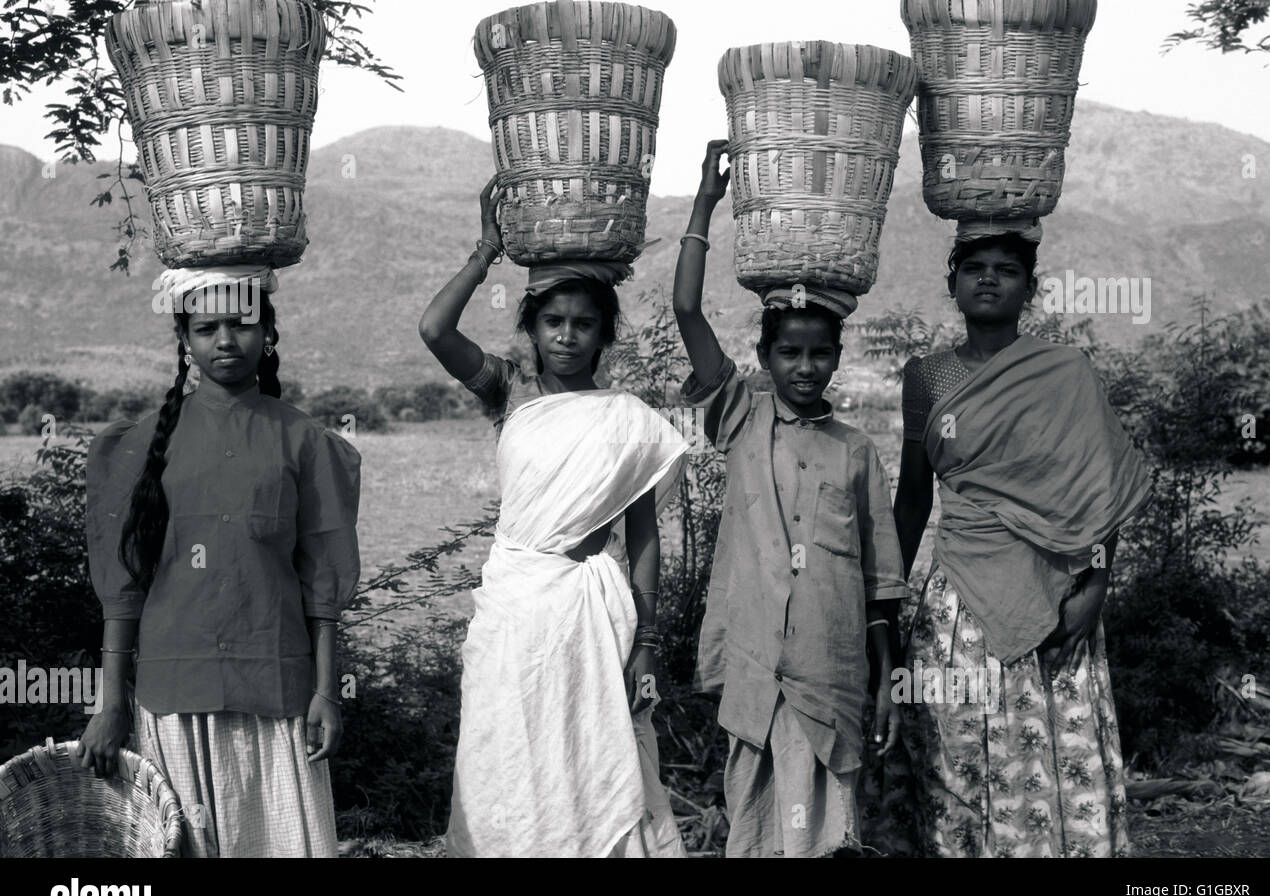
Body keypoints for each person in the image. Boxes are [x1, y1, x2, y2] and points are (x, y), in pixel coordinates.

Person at [419, 177, 689, 857]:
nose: (567, 335)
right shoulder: (510, 393)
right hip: (514, 607)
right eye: (553, 322)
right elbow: (434, 330)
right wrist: (486, 252)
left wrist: (648, 639)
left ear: (603, 335)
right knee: (504, 751)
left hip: (589, 615)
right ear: (532, 328)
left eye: (583, 324)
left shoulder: (626, 420)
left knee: (593, 750)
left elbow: (643, 535)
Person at [871, 221, 1152, 857]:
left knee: (1050, 751)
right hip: (959, 601)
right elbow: (914, 497)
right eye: (975, 268)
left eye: (1006, 268)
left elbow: (1099, 486)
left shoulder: (1064, 371)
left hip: (1057, 592)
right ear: (953, 284)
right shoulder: (929, 378)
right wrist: (883, 599)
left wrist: (1098, 585)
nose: (989, 278)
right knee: (960, 751)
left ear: (1030, 287)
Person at [672, 140, 909, 858]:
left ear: (838, 356)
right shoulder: (742, 416)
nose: (805, 367)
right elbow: (686, 308)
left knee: (830, 832)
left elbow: (880, 585)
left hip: (833, 669)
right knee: (756, 822)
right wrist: (706, 206)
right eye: (789, 353)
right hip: (756, 668)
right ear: (764, 358)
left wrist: (888, 679)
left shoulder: (856, 449)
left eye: (819, 352)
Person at [78, 269, 361, 857]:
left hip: (277, 692)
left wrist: (326, 692)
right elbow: (123, 588)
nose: (225, 340)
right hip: (174, 696)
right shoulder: (141, 446)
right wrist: (110, 707)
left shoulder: (305, 442)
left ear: (270, 333)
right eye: (207, 328)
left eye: (241, 323)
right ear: (184, 340)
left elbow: (323, 579)